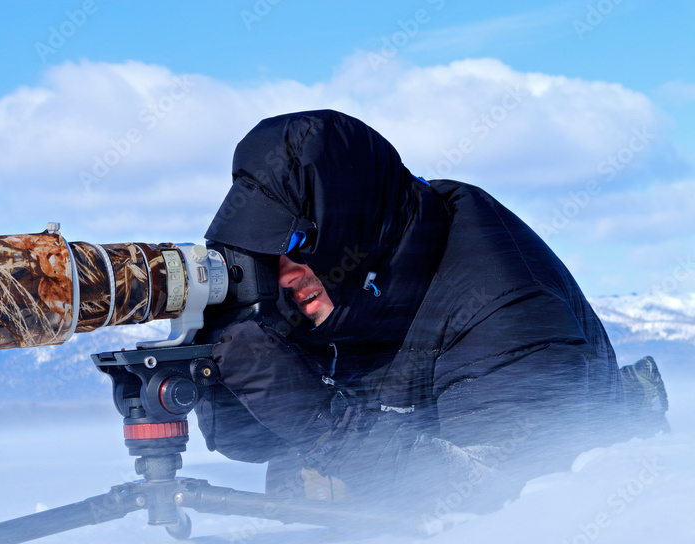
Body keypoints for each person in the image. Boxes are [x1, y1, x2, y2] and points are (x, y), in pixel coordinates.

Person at [195, 109, 669, 519]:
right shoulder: (333, 288)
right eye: (267, 249)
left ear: (355, 226)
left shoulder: (505, 304)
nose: (284, 274)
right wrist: (207, 372)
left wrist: (325, 424)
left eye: (296, 243)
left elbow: (501, 502)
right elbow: (257, 442)